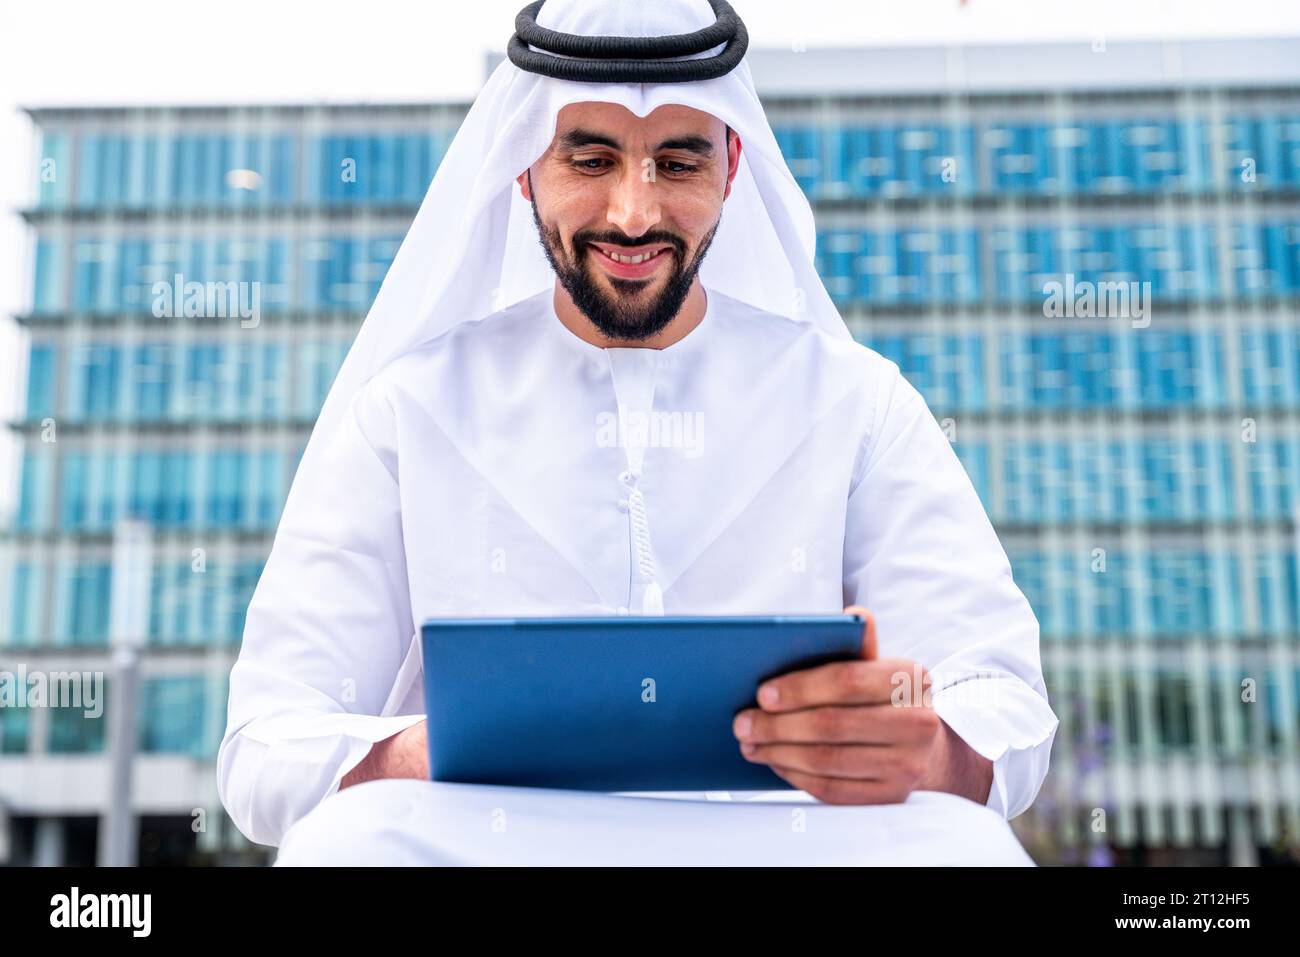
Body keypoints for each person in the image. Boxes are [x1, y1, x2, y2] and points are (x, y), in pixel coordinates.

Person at [217, 0, 1059, 860]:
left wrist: (924, 741)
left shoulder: (857, 402)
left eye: (677, 161)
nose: (632, 213)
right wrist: (450, 748)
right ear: (522, 168)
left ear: (731, 167)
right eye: (591, 158)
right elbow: (266, 748)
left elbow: (1002, 702)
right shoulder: (408, 413)